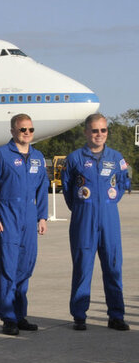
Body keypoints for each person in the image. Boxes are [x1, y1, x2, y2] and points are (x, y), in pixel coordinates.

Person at [61, 113, 131, 331]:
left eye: (103, 130)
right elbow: (67, 189)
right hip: (84, 219)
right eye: (94, 130)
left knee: (113, 266)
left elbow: (122, 183)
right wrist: (85, 207)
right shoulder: (74, 159)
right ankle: (80, 315)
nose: (99, 134)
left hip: (109, 218)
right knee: (83, 267)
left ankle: (116, 315)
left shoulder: (116, 157)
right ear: (86, 132)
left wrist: (108, 202)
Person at [0, 113, 48, 335]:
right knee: (9, 268)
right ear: (13, 131)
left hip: (30, 217)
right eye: (22, 130)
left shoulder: (38, 157)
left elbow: (43, 189)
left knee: (26, 266)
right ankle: (8, 317)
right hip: (8, 216)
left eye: (30, 129)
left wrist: (42, 217)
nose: (27, 133)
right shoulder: (1, 155)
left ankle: (21, 315)